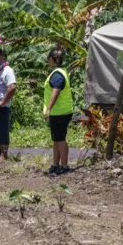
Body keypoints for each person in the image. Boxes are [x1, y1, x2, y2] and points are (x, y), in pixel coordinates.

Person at [43, 48, 73, 177]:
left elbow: (56, 91)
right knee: (56, 139)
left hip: (60, 112)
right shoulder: (61, 72)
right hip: (59, 112)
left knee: (60, 139)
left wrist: (48, 108)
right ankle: (55, 164)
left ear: (51, 59)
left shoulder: (57, 74)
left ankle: (64, 166)